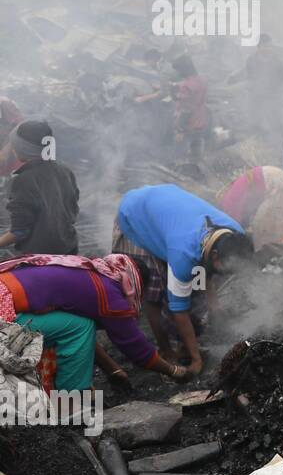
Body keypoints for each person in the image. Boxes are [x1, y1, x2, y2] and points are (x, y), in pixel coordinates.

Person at [112, 184, 253, 378]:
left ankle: (184, 345)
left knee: (195, 293)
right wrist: (197, 360)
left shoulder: (234, 235)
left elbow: (207, 267)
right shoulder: (184, 253)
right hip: (136, 217)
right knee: (154, 293)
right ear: (215, 255)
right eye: (225, 268)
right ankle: (166, 351)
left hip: (166, 213)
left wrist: (213, 304)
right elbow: (179, 310)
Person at [0, 254, 190, 389]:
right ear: (135, 283)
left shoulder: (89, 271)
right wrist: (173, 371)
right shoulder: (111, 295)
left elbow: (81, 332)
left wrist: (113, 370)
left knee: (76, 326)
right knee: (79, 327)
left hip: (5, 297)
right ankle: (70, 402)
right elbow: (136, 348)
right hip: (3, 314)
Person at [0, 121, 79, 256]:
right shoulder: (64, 170)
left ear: (23, 149)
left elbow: (19, 231)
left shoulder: (23, 180)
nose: (12, 149)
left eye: (14, 146)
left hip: (41, 258)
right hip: (69, 249)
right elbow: (73, 209)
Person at [216, 166, 283, 248]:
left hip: (272, 181)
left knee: (266, 228)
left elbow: (237, 229)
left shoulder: (229, 208)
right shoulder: (228, 197)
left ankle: (276, 250)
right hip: (275, 175)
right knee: (282, 217)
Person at [170, 55, 209, 162]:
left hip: (188, 126)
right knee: (196, 152)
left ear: (183, 69)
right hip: (200, 121)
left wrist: (180, 131)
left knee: (180, 155)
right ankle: (196, 169)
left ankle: (182, 172)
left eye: (178, 70)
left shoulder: (186, 87)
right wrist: (177, 85)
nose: (177, 73)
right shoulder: (201, 79)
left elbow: (186, 110)